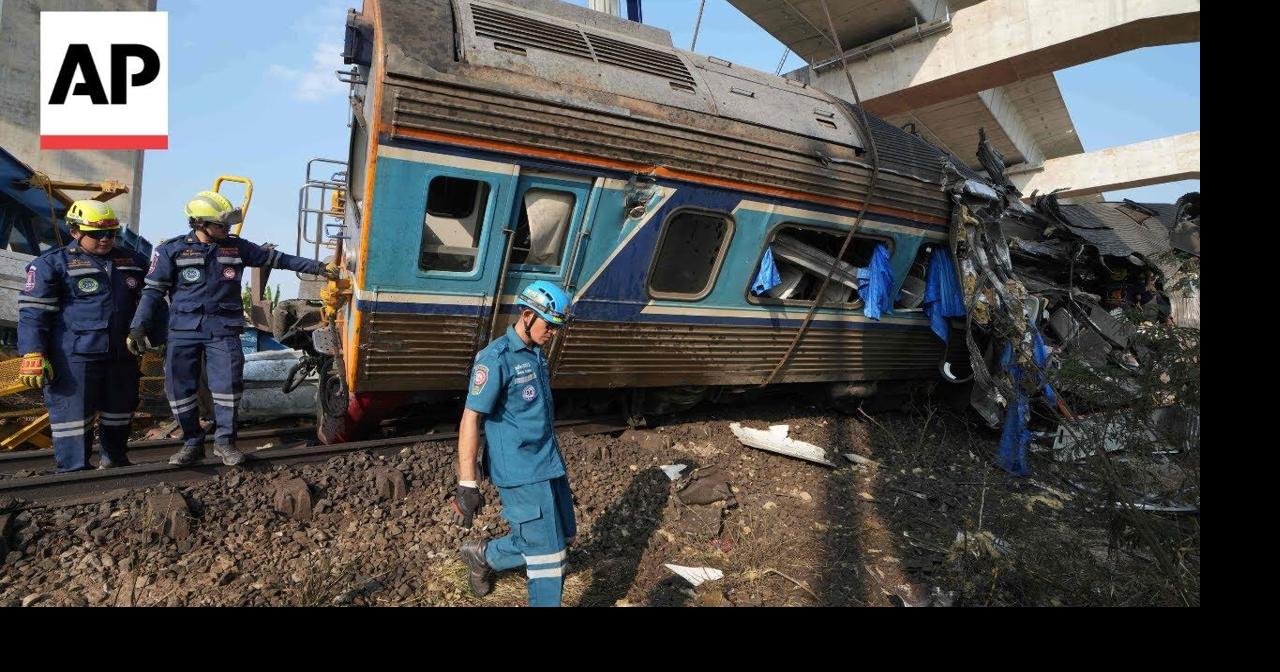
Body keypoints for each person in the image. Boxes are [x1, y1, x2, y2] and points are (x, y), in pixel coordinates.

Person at [129, 189, 338, 466]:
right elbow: (152, 293)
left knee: (227, 387)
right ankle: (192, 443)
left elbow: (281, 260)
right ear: (199, 223)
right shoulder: (172, 250)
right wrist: (138, 328)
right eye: (220, 225)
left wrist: (320, 268)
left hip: (223, 329)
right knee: (180, 389)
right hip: (182, 330)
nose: (226, 229)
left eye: (227, 225)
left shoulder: (236, 247)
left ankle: (225, 443)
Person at [453, 281, 577, 607]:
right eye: (549, 326)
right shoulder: (495, 359)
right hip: (520, 470)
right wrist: (468, 481)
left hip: (547, 460)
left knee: (562, 535)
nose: (553, 334)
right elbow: (470, 419)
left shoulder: (535, 353)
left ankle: (484, 556)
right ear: (526, 315)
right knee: (549, 558)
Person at [17, 200, 151, 472]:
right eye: (97, 234)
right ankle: (74, 473)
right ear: (75, 231)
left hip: (122, 354)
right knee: (73, 418)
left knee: (119, 412)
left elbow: (154, 302)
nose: (105, 240)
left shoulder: (134, 262)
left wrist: (152, 336)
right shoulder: (51, 265)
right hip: (74, 357)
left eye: (111, 233)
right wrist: (32, 352)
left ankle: (115, 463)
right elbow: (34, 313)